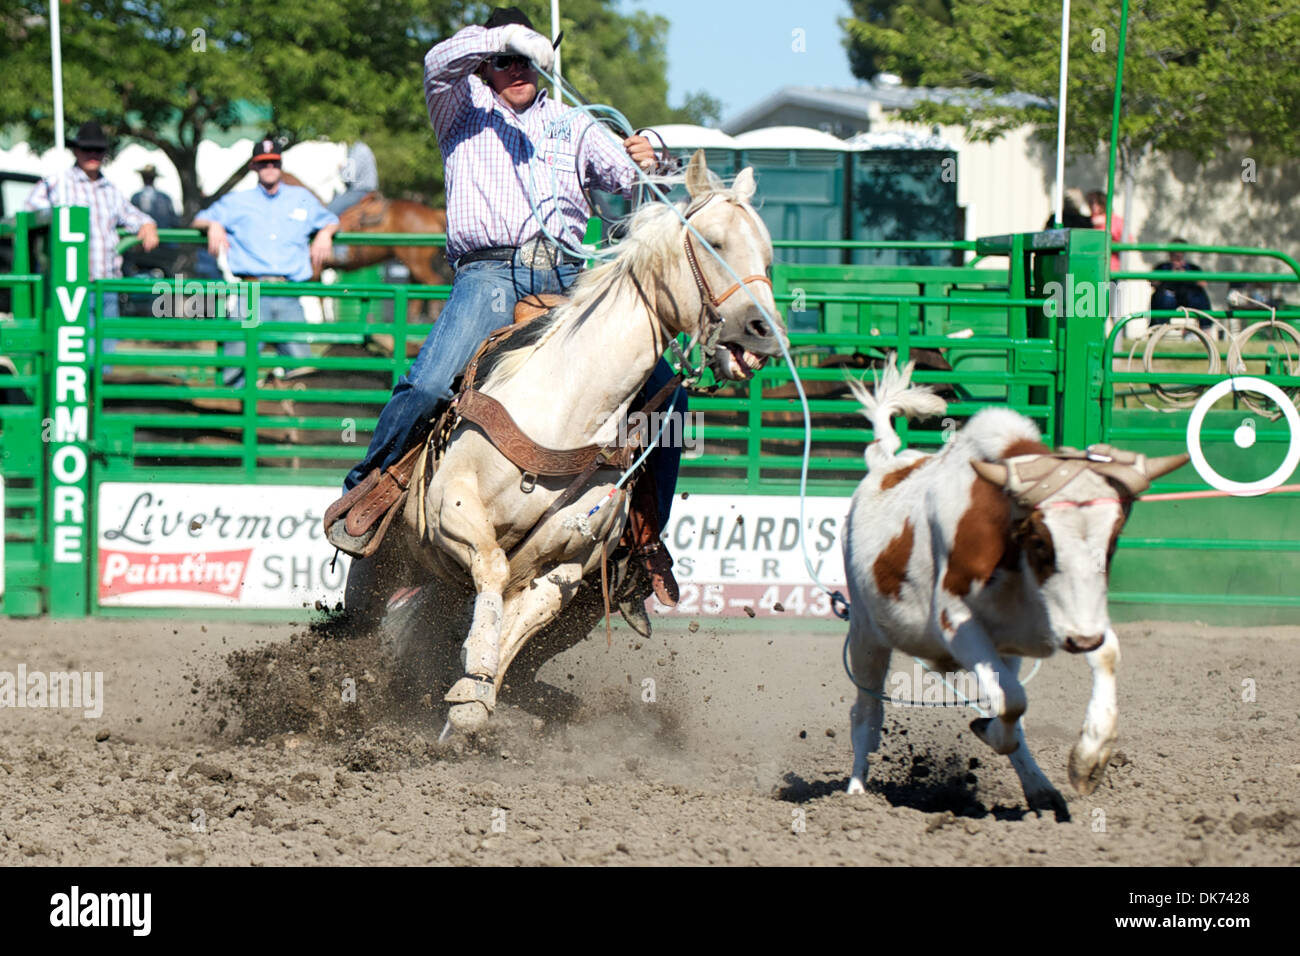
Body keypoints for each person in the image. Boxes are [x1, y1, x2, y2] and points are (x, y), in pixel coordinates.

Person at [333, 5, 683, 607]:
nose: (517, 68)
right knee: (430, 382)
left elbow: (631, 180)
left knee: (663, 394)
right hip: (491, 270)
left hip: (571, 274)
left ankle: (643, 536)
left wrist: (653, 155)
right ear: (488, 64)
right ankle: (373, 486)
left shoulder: (574, 125)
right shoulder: (461, 109)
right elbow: (436, 63)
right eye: (505, 59)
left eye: (527, 57)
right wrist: (505, 38)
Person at [192, 137, 340, 386]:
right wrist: (214, 224)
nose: (269, 167)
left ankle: (293, 422)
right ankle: (235, 422)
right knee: (236, 368)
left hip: (288, 292)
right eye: (263, 163)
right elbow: (199, 219)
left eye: (273, 162)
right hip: (251, 293)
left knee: (302, 369)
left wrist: (325, 233)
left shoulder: (300, 198)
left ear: (280, 165)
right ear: (254, 167)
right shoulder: (238, 201)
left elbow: (331, 219)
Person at [23, 121, 160, 346]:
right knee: (73, 354)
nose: (93, 155)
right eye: (87, 149)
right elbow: (30, 211)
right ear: (76, 151)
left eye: (98, 150)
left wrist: (148, 225)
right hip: (70, 287)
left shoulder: (111, 190)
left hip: (106, 283)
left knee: (103, 353)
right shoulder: (59, 183)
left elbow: (135, 216)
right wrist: (54, 222)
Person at [1151, 240, 1212, 329]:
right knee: (1165, 298)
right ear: (1170, 252)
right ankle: (1158, 328)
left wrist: (1186, 274)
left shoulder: (1192, 268)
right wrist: (1170, 274)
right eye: (1174, 251)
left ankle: (1205, 328)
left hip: (1188, 296)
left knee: (1199, 296)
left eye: (1180, 251)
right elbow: (1153, 283)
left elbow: (1203, 283)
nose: (1177, 254)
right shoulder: (1162, 267)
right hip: (1168, 297)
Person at [328, 141, 379, 216]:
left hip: (359, 191)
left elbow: (350, 177)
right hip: (365, 190)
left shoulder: (357, 149)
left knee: (330, 210)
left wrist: (340, 169)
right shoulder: (362, 148)